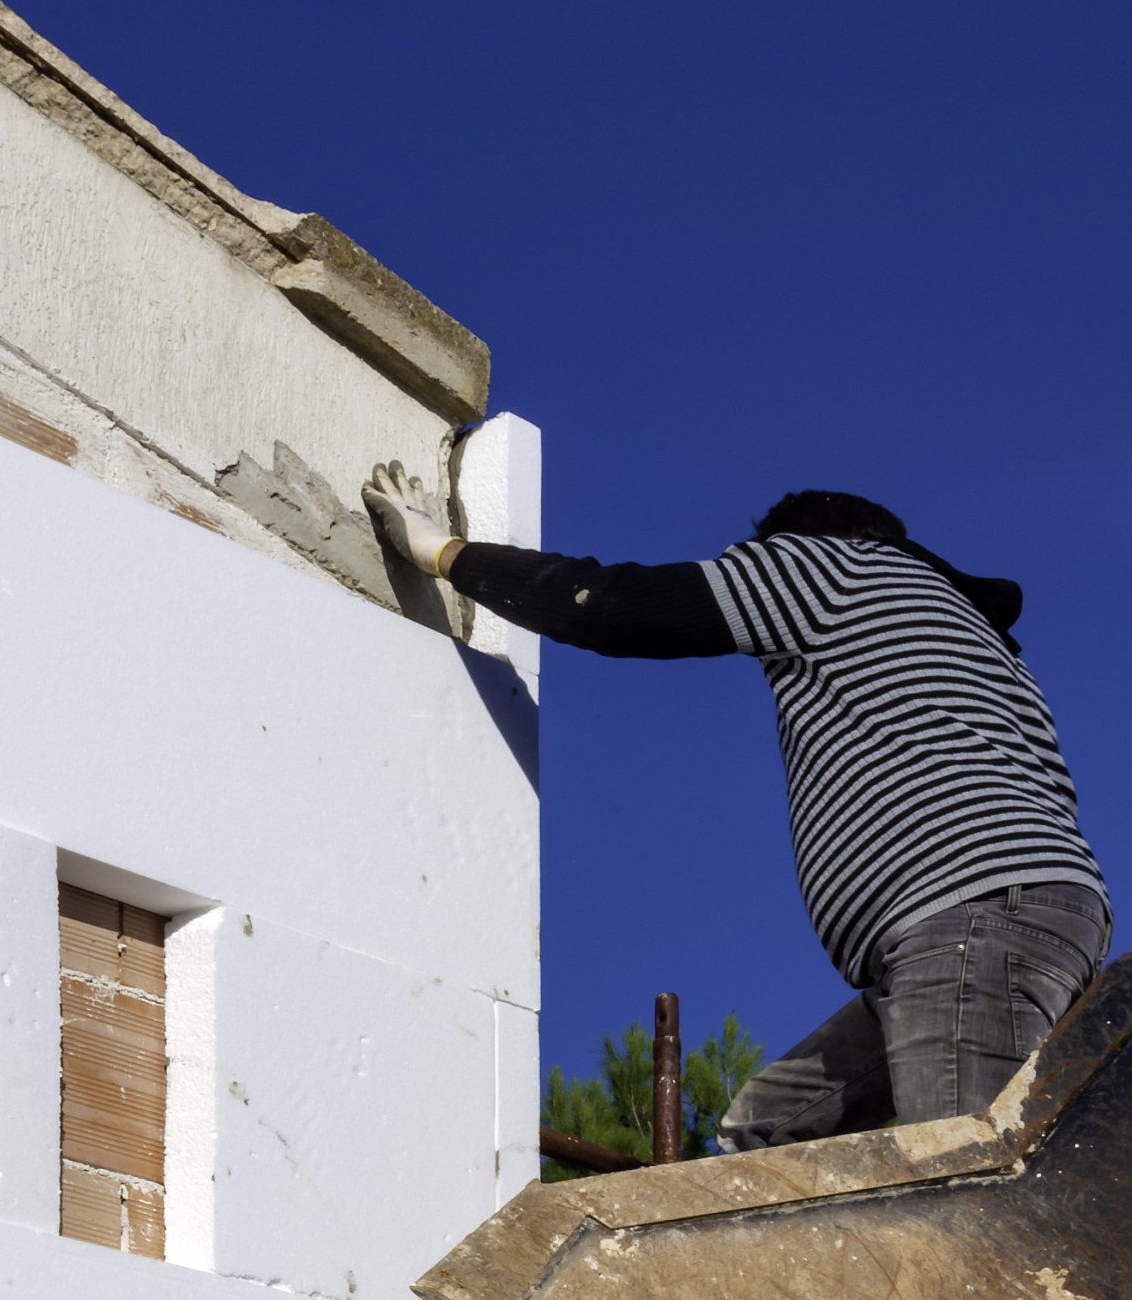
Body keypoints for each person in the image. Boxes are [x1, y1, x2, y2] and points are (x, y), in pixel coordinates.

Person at [363, 463, 1112, 1152]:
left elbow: (616, 606)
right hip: (1011, 923)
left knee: (961, 1175)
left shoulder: (829, 566)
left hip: (969, 919)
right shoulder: (977, 634)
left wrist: (444, 553)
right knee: (758, 1137)